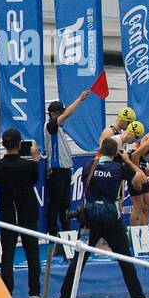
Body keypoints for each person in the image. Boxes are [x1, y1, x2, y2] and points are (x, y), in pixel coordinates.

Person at [53, 136, 149, 298]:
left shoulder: (89, 166)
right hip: (111, 220)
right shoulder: (119, 168)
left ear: (101, 151)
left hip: (90, 220)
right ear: (115, 153)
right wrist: (128, 161)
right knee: (125, 260)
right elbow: (142, 179)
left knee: (79, 260)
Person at [0, 128, 44, 298]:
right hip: (27, 211)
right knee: (32, 254)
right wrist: (35, 160)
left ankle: (7, 292)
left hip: (7, 212)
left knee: (8, 254)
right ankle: (34, 293)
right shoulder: (28, 165)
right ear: (20, 145)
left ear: (3, 145)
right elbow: (35, 179)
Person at [44, 90, 92, 236]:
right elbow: (67, 115)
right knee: (55, 204)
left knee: (65, 204)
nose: (63, 116)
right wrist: (79, 99)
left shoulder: (58, 129)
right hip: (56, 170)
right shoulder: (50, 127)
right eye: (60, 113)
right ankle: (53, 233)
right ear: (53, 114)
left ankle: (66, 232)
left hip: (65, 170)